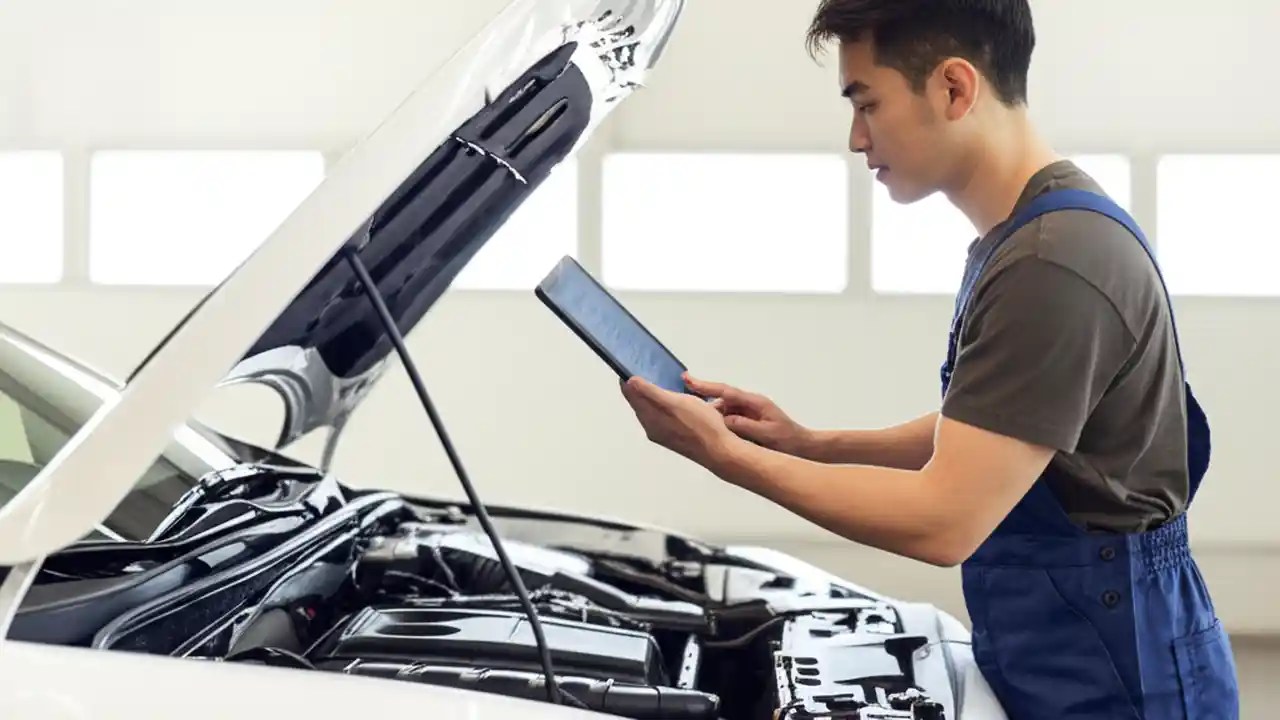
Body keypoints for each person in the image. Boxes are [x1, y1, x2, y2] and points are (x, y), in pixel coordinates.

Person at [618, 1, 1241, 717]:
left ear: (953, 88)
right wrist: (809, 444)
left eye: (867, 103)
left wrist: (727, 458)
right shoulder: (1040, 232)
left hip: (1121, 677)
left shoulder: (1054, 261)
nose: (856, 139)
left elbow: (945, 521)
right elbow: (993, 430)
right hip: (1085, 649)